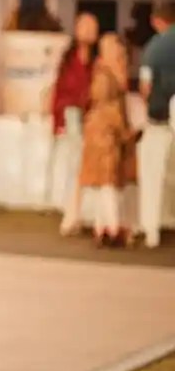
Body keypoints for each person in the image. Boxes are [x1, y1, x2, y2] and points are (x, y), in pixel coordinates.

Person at [78, 33, 139, 246]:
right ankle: (112, 228)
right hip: (105, 138)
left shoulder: (104, 74)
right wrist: (126, 132)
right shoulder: (107, 77)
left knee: (105, 185)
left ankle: (102, 227)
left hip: (103, 136)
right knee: (108, 185)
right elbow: (110, 108)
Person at [51, 11, 99, 235]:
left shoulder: (98, 61)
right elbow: (59, 92)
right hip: (70, 119)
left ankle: (77, 215)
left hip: (92, 120)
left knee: (84, 169)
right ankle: (72, 214)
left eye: (92, 27)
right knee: (74, 168)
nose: (89, 31)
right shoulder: (68, 59)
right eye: (85, 26)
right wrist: (57, 121)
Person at [138, 0, 175, 247]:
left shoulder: (153, 48)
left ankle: (151, 231)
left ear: (156, 21)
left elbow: (145, 87)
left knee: (152, 175)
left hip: (160, 120)